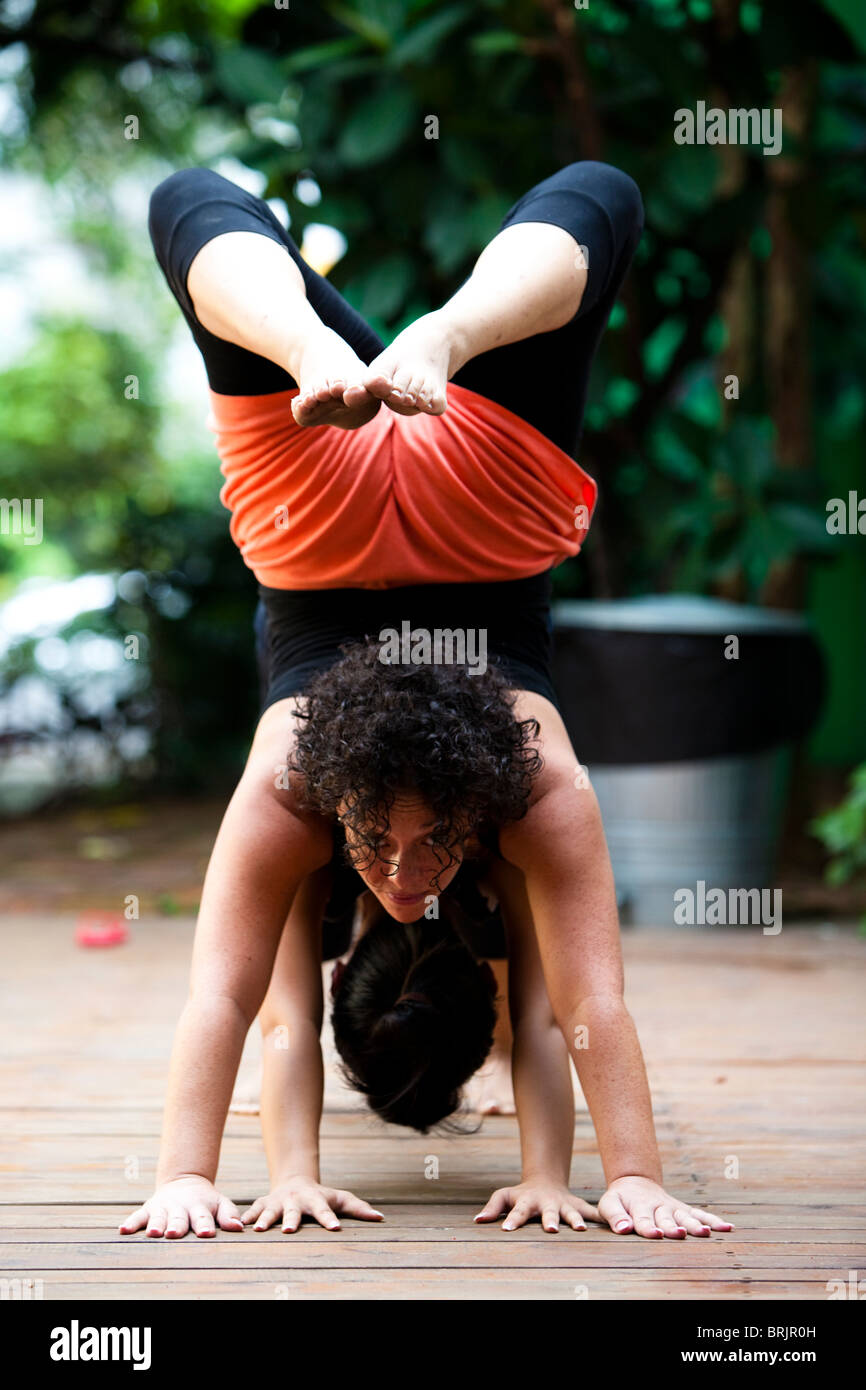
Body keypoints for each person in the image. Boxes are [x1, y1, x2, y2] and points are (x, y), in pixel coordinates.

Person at [119, 160, 734, 1240]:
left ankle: (334, 345)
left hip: (332, 496)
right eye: (388, 844)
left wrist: (186, 1171)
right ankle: (433, 334)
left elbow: (237, 998)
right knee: (593, 190)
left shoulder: (298, 784)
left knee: (193, 200)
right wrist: (610, 1170)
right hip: (467, 493)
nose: (406, 876)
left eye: (428, 844)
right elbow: (571, 1003)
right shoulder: (527, 789)